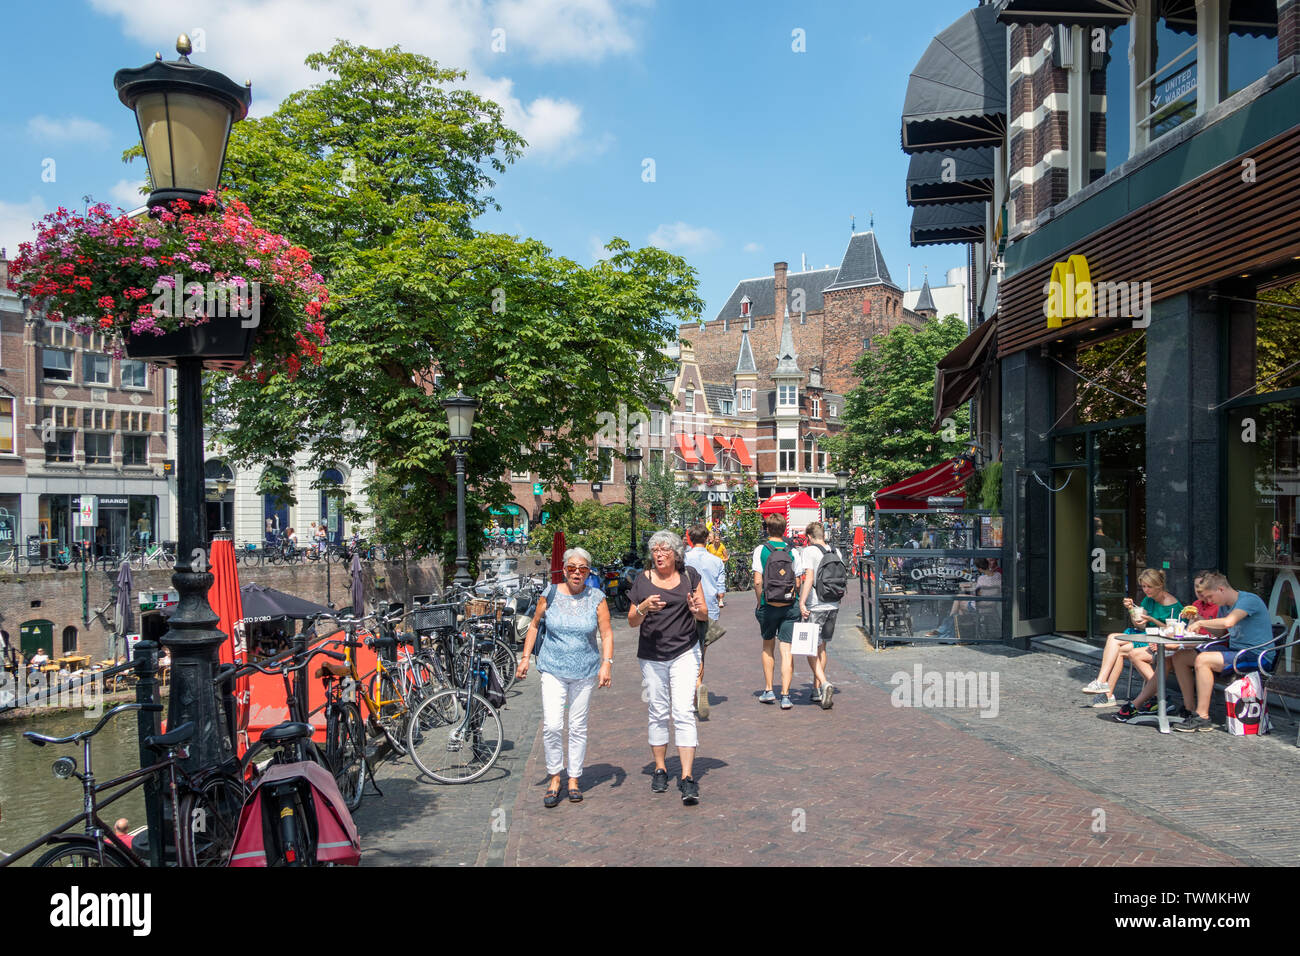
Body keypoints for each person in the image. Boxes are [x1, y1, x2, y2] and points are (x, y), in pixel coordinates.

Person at [516, 547, 613, 806]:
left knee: (578, 726)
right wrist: (526, 657)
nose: (577, 573)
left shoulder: (597, 597)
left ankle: (574, 778)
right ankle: (555, 776)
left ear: (588, 571)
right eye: (572, 568)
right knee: (552, 725)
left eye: (583, 569)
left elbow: (606, 633)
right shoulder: (549, 593)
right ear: (564, 569)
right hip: (553, 668)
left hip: (585, 670)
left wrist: (607, 663)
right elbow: (534, 624)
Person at [628, 530, 709, 805]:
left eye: (664, 551)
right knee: (658, 711)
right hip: (651, 655)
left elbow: (703, 613)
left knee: (683, 711)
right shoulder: (643, 580)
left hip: (685, 651)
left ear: (676, 554)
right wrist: (643, 607)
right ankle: (660, 768)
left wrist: (694, 608)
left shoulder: (689, 576)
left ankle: (687, 777)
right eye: (655, 551)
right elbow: (631, 621)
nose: (659, 555)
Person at [1172, 571, 1273, 732]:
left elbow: (1229, 622)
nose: (1209, 601)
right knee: (1180, 657)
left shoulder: (1248, 600)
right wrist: (1200, 620)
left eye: (1210, 597)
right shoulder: (1224, 606)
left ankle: (1202, 716)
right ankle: (1189, 709)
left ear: (1221, 589)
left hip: (1257, 655)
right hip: (1235, 651)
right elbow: (1220, 634)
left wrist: (1202, 623)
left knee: (1203, 660)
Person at [1115, 574, 1220, 720]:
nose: (1199, 591)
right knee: (1136, 654)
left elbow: (1218, 635)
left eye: (1203, 587)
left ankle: (1141, 703)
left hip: (1203, 649)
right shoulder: (1195, 605)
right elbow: (1186, 632)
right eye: (1196, 587)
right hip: (1184, 646)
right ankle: (1164, 700)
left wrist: (1176, 644)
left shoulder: (1217, 606)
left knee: (1169, 658)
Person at [1079, 568, 1183, 707]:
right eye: (1144, 586)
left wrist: (1152, 619)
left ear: (1159, 585)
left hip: (1162, 641)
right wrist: (1131, 610)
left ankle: (1105, 687)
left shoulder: (1173, 604)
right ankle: (1104, 688)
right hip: (1148, 636)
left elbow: (1176, 630)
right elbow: (1140, 625)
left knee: (1116, 643)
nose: (1146, 590)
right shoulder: (1148, 600)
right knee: (1114, 641)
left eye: (1149, 586)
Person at [752, 512, 803, 709]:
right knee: (787, 649)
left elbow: (757, 581)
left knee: (767, 646)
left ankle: (768, 690)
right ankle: (786, 695)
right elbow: (798, 580)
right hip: (789, 605)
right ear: (784, 530)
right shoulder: (793, 551)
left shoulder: (761, 550)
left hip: (768, 604)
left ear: (767, 529)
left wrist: (760, 602)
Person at [797, 521, 843, 709]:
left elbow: (809, 577)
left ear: (809, 536)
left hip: (815, 605)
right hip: (833, 604)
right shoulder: (836, 551)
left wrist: (801, 601)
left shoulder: (809, 551)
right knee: (822, 647)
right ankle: (817, 689)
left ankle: (824, 683)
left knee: (808, 647)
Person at [684, 523, 725, 720]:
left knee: (685, 653)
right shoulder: (716, 561)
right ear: (707, 538)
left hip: (686, 610)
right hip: (708, 610)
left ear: (690, 538)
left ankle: (694, 691)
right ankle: (698, 685)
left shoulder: (682, 559)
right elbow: (721, 590)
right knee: (701, 652)